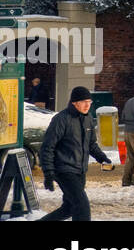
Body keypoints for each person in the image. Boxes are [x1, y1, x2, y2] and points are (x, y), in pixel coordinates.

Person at [38, 86, 113, 221]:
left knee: (69, 208)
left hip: (80, 170)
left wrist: (102, 158)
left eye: (89, 102)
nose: (87, 105)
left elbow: (91, 144)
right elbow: (47, 147)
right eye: (84, 102)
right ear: (74, 102)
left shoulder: (88, 118)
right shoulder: (61, 119)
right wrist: (48, 173)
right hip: (64, 170)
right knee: (82, 206)